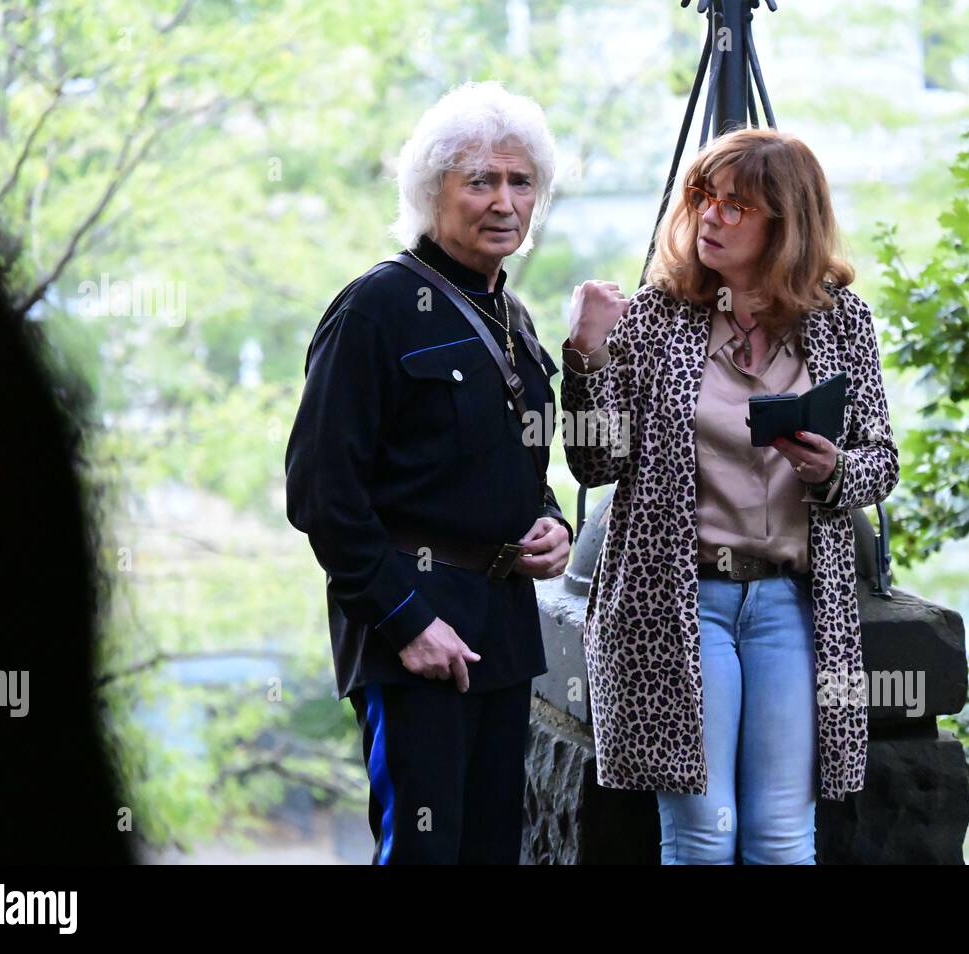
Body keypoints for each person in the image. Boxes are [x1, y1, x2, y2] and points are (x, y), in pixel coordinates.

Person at [562, 128, 900, 864]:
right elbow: (595, 462)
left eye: (735, 206)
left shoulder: (842, 322)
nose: (710, 217)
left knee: (781, 840)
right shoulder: (657, 316)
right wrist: (586, 355)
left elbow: (881, 463)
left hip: (793, 607)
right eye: (703, 198)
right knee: (702, 839)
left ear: (785, 219)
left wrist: (832, 468)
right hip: (679, 605)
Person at [285, 81, 572, 865]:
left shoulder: (512, 318)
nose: (504, 201)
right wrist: (405, 620)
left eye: (521, 182)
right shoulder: (374, 307)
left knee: (487, 855)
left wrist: (552, 522)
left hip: (504, 626)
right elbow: (320, 494)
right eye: (479, 180)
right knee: (422, 855)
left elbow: (513, 465)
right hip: (411, 623)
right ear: (430, 190)